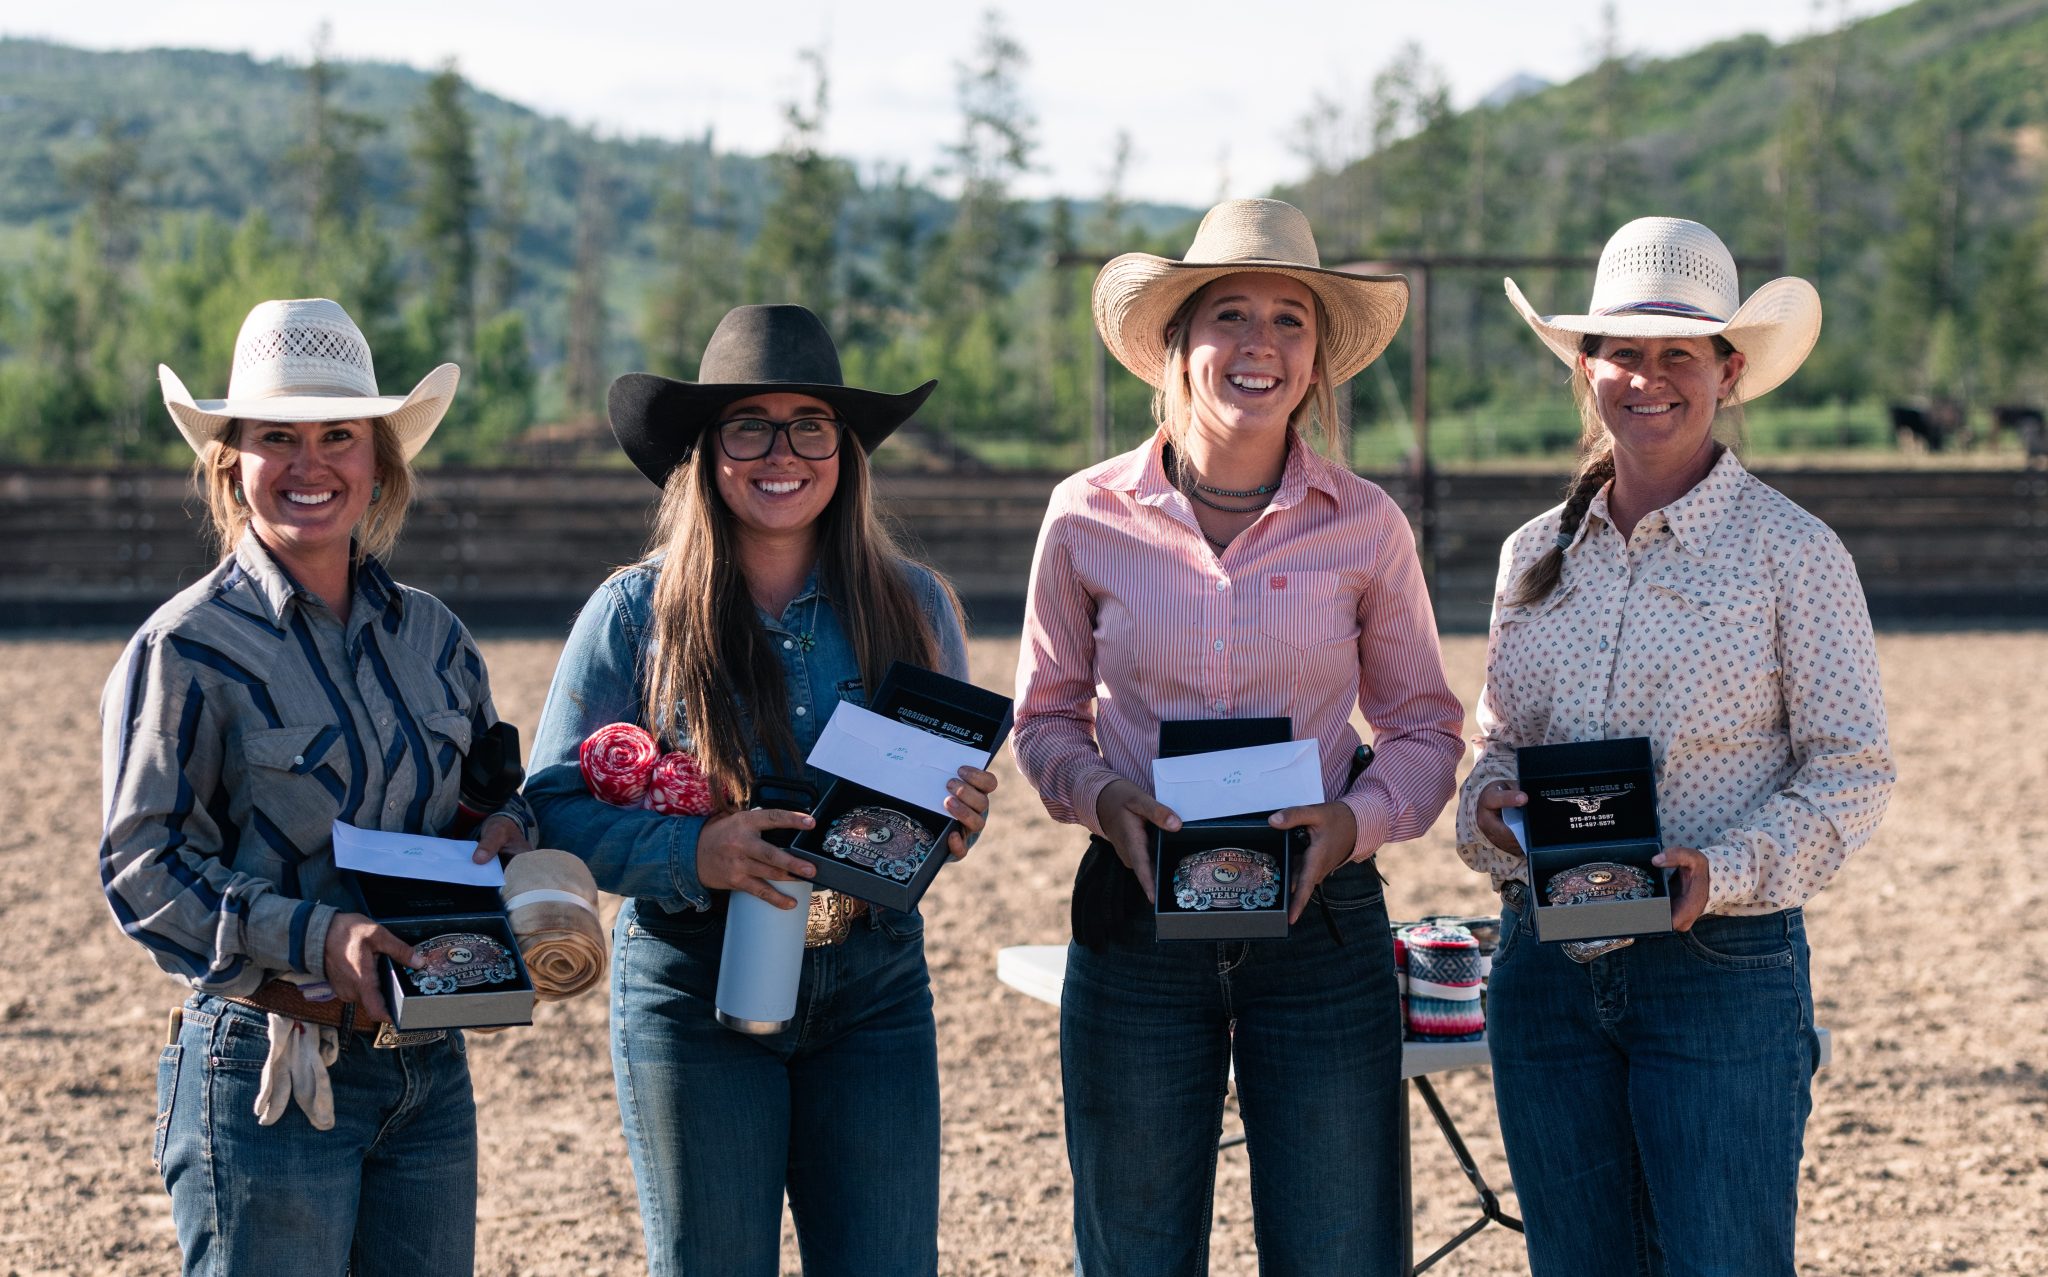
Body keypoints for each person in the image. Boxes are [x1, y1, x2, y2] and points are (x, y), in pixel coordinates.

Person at [1013, 198, 1465, 1274]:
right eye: (1228, 313)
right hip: (1133, 918)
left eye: (1288, 319)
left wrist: (1351, 822)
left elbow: (1422, 727)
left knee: (1340, 1251)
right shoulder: (1083, 516)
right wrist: (1101, 797)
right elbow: (1042, 716)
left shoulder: (1367, 525)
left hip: (1321, 925)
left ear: (1314, 359)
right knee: (1132, 1252)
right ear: (1173, 344)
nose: (1259, 343)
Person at [1459, 216, 1896, 1276]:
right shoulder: (1532, 554)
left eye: (1675, 355)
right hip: (1543, 964)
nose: (1646, 378)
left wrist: (1723, 869)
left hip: (1720, 962)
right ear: (1585, 367)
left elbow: (1850, 767)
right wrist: (1485, 805)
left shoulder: (1793, 552)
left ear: (1725, 371)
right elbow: (1497, 745)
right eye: (1621, 352)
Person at [524, 304, 997, 1277]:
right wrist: (692, 854)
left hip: (872, 983)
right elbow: (551, 811)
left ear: (845, 449)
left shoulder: (915, 605)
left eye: (809, 425)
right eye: (748, 424)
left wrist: (954, 820)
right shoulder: (630, 615)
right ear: (704, 449)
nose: (780, 451)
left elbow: (927, 798)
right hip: (693, 981)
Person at [101, 297, 536, 1274]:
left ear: (378, 458)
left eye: (338, 434)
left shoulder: (436, 639)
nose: (311, 463)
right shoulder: (185, 647)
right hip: (268, 1064)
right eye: (276, 437)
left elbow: (477, 798)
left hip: (428, 1064)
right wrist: (317, 936)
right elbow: (141, 865)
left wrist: (507, 825)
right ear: (231, 459)